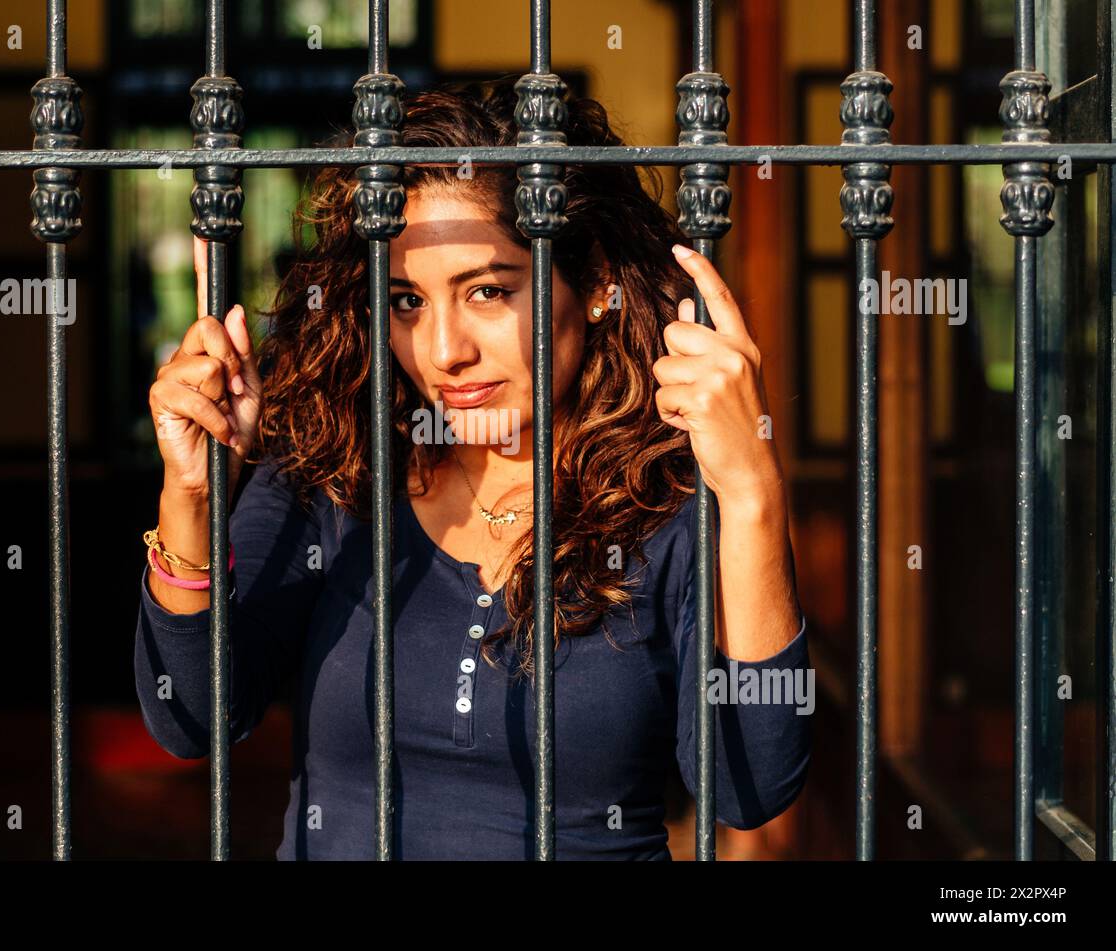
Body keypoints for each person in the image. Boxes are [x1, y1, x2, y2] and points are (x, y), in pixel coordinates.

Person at [134, 78, 811, 860]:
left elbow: (750, 782)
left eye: (488, 290)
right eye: (406, 301)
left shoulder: (666, 506)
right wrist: (191, 492)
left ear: (592, 285)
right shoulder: (336, 468)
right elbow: (188, 717)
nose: (443, 349)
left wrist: (754, 492)